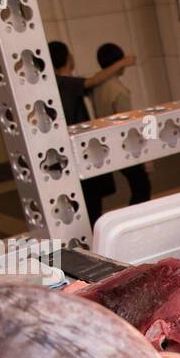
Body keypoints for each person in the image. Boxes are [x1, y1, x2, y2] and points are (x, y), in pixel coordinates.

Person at [49, 40, 134, 224]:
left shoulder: (54, 85)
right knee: (91, 203)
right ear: (67, 58)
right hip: (78, 150)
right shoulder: (65, 83)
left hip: (66, 151)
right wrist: (123, 62)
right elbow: (93, 80)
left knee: (87, 202)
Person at [92, 42, 152, 206]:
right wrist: (144, 155)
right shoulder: (119, 91)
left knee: (138, 186)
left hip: (106, 141)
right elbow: (128, 125)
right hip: (124, 144)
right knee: (141, 187)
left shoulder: (97, 86)